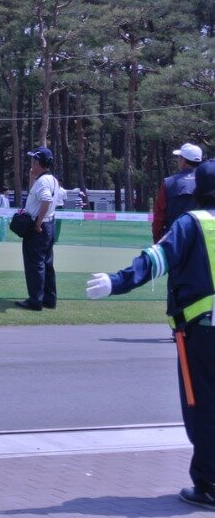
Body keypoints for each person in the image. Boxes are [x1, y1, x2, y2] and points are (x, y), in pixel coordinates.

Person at [86, 159, 215, 511]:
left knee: (203, 408)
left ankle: (209, 484)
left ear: (197, 191)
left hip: (202, 333)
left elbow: (156, 260)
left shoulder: (191, 223)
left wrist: (116, 282)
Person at [15, 146, 62, 311]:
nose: (32, 164)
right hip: (50, 225)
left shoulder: (42, 181)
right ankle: (49, 299)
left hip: (39, 228)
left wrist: (38, 222)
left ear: (37, 163)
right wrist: (32, 178)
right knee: (47, 264)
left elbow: (46, 200)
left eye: (33, 161)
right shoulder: (51, 180)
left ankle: (35, 300)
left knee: (35, 265)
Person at [152, 142, 203, 243]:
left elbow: (159, 217)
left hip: (174, 241)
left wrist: (157, 241)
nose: (178, 160)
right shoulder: (208, 182)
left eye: (179, 157)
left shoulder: (169, 183)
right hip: (201, 240)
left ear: (183, 161)